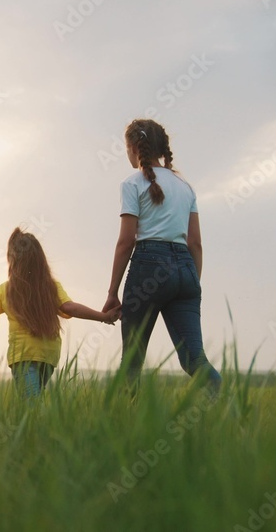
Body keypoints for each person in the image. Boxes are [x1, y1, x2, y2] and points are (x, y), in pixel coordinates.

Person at [103, 118, 222, 395]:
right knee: (194, 360)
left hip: (148, 266)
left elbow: (126, 241)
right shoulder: (186, 187)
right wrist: (192, 284)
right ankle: (223, 409)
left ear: (133, 147)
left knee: (132, 362)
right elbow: (196, 243)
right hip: (186, 270)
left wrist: (112, 291)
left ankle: (129, 427)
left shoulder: (132, 184)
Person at [0, 228, 118, 398]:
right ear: (40, 260)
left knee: (31, 407)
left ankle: (38, 424)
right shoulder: (50, 287)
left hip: (23, 356)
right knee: (33, 403)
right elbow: (70, 307)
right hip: (48, 356)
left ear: (12, 260)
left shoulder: (5, 291)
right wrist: (103, 317)